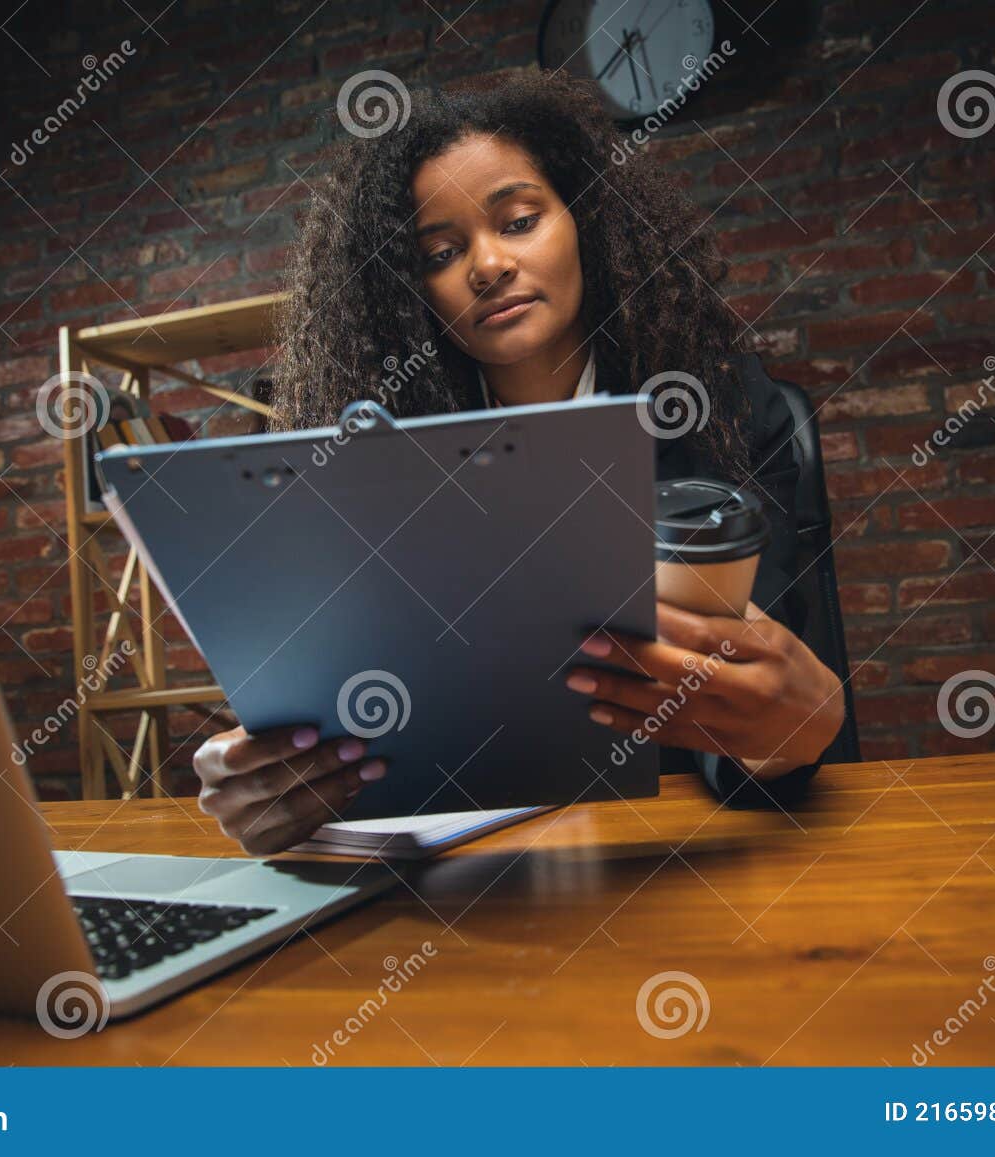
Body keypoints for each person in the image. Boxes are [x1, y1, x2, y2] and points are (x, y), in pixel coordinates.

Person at [193, 72, 846, 855]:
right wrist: (276, 782)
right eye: (441, 252)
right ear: (413, 294)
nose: (488, 265)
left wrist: (788, 731)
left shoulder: (723, 409)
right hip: (470, 871)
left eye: (521, 220)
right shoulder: (374, 464)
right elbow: (355, 721)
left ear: (586, 221)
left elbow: (746, 730)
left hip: (673, 853)